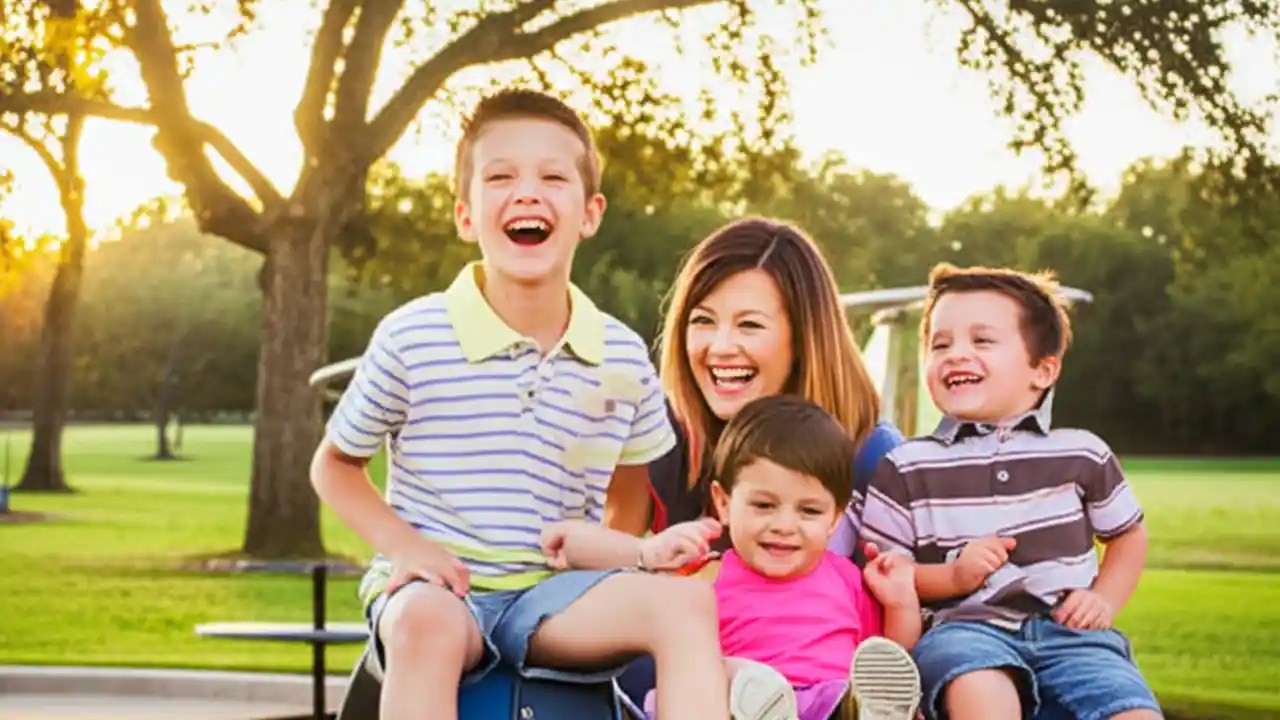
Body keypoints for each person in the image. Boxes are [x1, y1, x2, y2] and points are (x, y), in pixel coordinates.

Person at [311, 88, 739, 720]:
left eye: (552, 177)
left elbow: (628, 493)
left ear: (590, 213)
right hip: (439, 594)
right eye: (501, 176)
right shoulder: (413, 336)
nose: (527, 192)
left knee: (686, 605)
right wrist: (406, 548)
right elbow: (334, 467)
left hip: (555, 599)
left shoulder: (620, 355)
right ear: (465, 214)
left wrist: (610, 553)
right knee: (424, 623)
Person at [612, 216, 905, 707]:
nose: (721, 347)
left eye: (749, 324)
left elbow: (886, 616)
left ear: (802, 337)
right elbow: (605, 560)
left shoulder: (870, 454)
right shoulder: (663, 440)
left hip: (825, 686)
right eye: (703, 321)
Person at [860, 263, 1162, 720]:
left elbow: (1127, 535)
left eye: (981, 341)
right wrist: (954, 577)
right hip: (964, 632)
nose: (955, 354)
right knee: (980, 693)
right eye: (940, 344)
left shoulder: (1082, 453)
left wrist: (1102, 598)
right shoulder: (905, 466)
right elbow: (890, 574)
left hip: (1072, 634)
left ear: (1042, 371)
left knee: (1131, 710)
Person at [631, 395, 923, 720]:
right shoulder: (706, 578)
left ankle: (859, 712)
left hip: (828, 701)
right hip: (740, 705)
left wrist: (900, 603)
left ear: (835, 519)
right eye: (764, 506)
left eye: (809, 511)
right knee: (699, 680)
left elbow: (891, 653)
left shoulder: (847, 577)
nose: (784, 527)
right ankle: (766, 702)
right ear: (723, 503)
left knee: (848, 693)